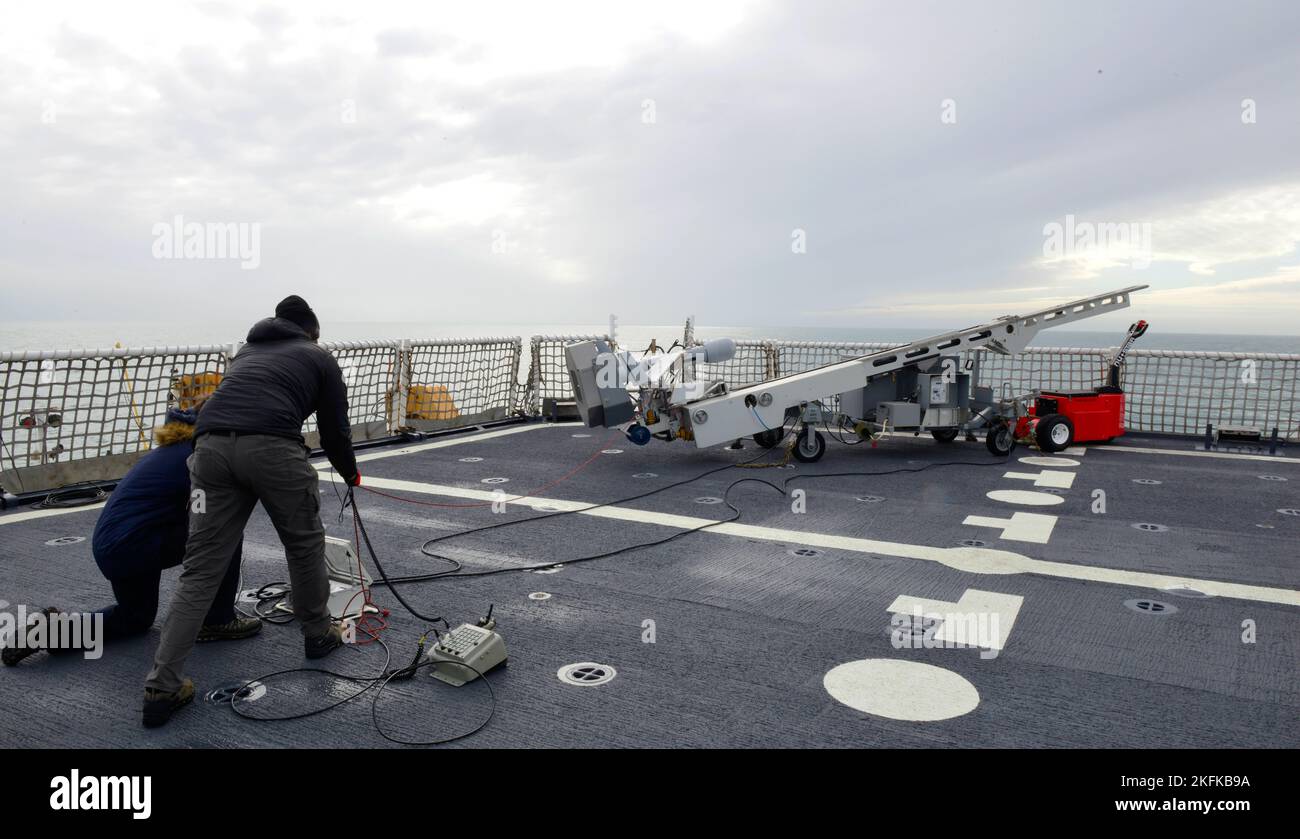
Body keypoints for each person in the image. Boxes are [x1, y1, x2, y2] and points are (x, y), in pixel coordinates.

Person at [142, 295, 360, 727]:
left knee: (201, 568)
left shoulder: (245, 353)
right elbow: (336, 430)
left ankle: (162, 686)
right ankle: (318, 634)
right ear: (312, 329)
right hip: (274, 451)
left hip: (209, 453)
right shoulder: (319, 355)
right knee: (302, 546)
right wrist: (349, 473)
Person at [1, 405, 261, 667]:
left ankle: (51, 633)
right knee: (225, 531)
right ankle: (218, 620)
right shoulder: (198, 457)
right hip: (134, 545)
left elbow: (193, 506)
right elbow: (206, 514)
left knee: (135, 619)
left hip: (116, 545)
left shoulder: (174, 449)